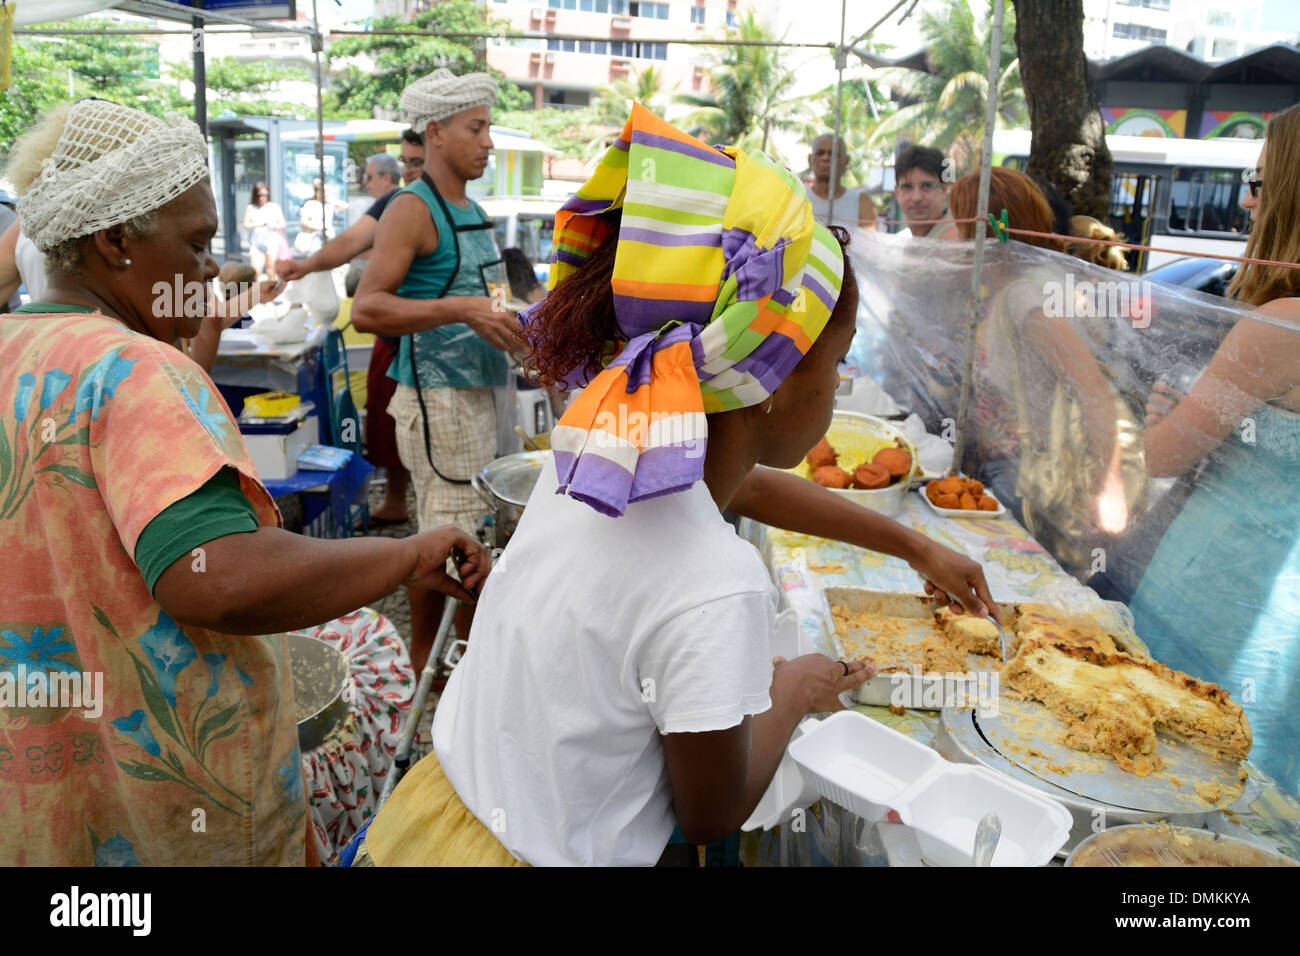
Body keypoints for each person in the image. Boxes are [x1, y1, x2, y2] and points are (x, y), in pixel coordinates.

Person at [356, 106, 1001, 867]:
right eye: (834, 366)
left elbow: (743, 489)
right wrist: (796, 688)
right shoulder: (715, 582)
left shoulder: (596, 456)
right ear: (773, 381)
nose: (836, 389)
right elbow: (711, 813)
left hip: (433, 821)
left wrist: (915, 546)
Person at [0, 99, 490, 866]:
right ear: (113, 240)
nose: (206, 267)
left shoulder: (16, 350)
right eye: (195, 244)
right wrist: (407, 556)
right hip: (168, 807)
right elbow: (217, 581)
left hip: (42, 797)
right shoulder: (133, 370)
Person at [1128, 104, 1300, 796]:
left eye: (1259, 183)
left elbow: (1165, 454)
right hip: (1276, 610)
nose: (1248, 201)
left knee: (1171, 785)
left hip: (1220, 595)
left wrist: (1158, 420)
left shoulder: (1279, 327)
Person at [353, 69, 523, 672]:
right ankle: (430, 666)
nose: (488, 143)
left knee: (469, 538)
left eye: (488, 128)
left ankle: (457, 665)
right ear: (437, 132)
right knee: (447, 546)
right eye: (476, 128)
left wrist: (529, 338)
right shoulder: (411, 208)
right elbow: (368, 307)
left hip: (479, 395)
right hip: (438, 402)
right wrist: (459, 308)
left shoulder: (470, 210)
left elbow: (493, 298)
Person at [948, 167, 1134, 556]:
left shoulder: (1025, 299)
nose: (952, 238)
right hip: (1016, 474)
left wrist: (1107, 486)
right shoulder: (1021, 286)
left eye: (958, 225)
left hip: (1029, 482)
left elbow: (1092, 387)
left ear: (986, 232)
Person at [278, 152, 414, 525]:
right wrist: (307, 265)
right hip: (396, 333)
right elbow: (354, 241)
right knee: (387, 422)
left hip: (432, 338)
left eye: (417, 161)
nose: (412, 171)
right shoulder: (399, 203)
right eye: (409, 161)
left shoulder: (450, 207)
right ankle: (399, 500)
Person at [805, 133, 877, 230]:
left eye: (833, 154)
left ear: (846, 161)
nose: (825, 158)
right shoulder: (799, 198)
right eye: (820, 153)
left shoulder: (862, 202)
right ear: (810, 159)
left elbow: (870, 242)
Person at [895, 145, 958, 239]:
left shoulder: (954, 239)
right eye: (907, 187)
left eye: (927, 186)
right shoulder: (908, 239)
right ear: (897, 193)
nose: (916, 198)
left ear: (944, 190)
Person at [241, 181, 287, 281]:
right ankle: (255, 294)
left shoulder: (274, 207)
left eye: (265, 194)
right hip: (257, 243)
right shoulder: (251, 208)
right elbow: (245, 224)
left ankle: (273, 294)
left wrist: (272, 225)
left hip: (271, 242)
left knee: (271, 270)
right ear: (255, 195)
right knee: (255, 272)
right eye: (259, 195)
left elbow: (282, 224)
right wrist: (258, 224)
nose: (262, 197)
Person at [295, 178, 347, 258]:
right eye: (323, 191)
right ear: (317, 192)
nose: (325, 193)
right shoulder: (310, 204)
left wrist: (331, 200)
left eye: (326, 191)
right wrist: (320, 228)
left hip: (329, 237)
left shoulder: (329, 205)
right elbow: (304, 222)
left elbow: (345, 206)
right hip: (315, 238)